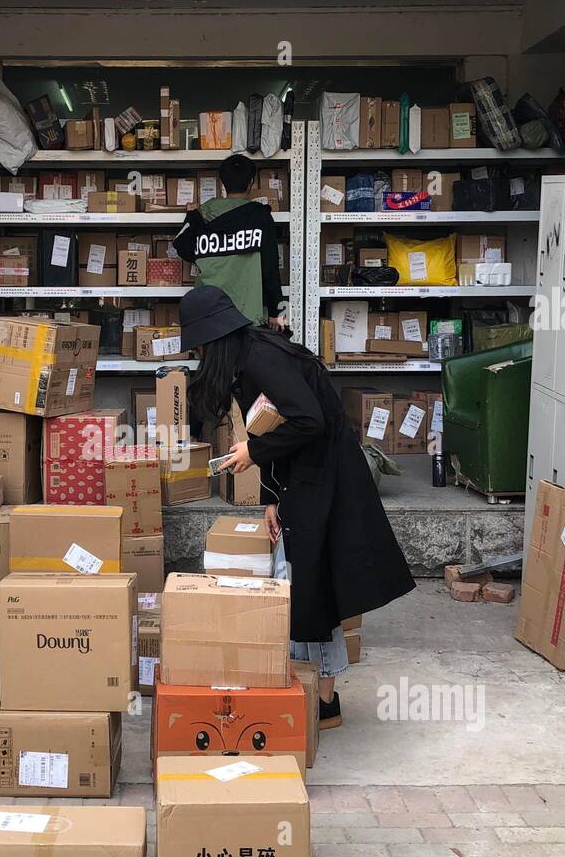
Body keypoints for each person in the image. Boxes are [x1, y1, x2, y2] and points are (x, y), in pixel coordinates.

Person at [181, 285, 415, 728]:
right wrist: (271, 497)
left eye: (198, 346)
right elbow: (278, 422)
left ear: (213, 338)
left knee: (313, 585)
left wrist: (254, 452)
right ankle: (315, 693)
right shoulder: (248, 355)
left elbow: (310, 420)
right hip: (306, 474)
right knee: (307, 583)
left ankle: (323, 701)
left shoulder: (261, 359)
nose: (198, 357)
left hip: (327, 475)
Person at [173, 153, 286, 331]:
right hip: (247, 313)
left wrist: (191, 216)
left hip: (209, 311)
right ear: (250, 183)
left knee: (214, 359)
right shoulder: (259, 217)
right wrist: (277, 311)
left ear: (222, 183)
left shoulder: (203, 214)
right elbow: (270, 266)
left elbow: (182, 247)